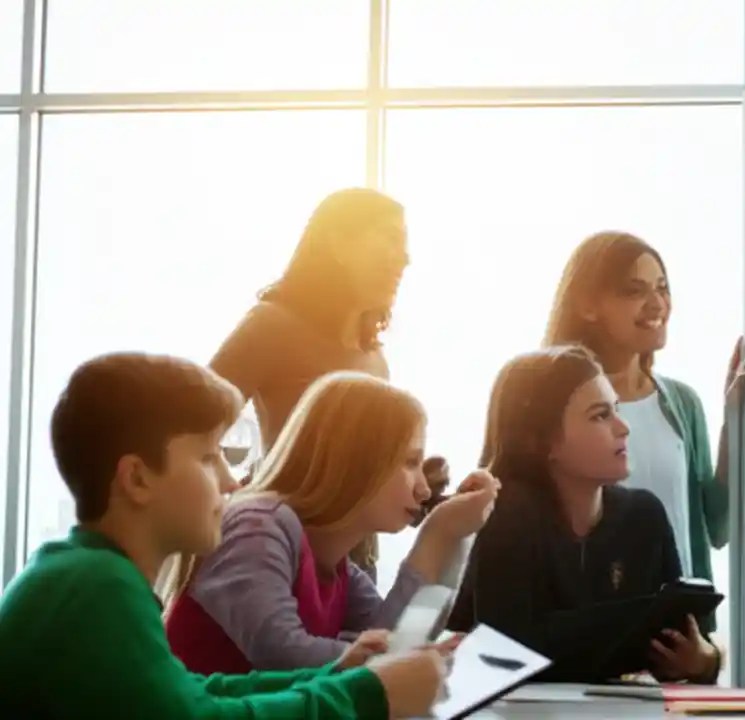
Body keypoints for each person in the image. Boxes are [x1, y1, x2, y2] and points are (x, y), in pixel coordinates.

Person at [0, 353, 443, 719]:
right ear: (137, 479)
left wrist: (338, 672)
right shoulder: (97, 585)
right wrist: (366, 695)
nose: (231, 483)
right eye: (210, 457)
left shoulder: (84, 572)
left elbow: (193, 691)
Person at [165, 371, 498, 674]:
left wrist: (452, 537)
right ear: (355, 461)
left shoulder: (338, 567)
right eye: (411, 462)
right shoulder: (257, 526)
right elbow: (282, 655)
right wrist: (435, 537)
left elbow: (401, 640)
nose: (424, 489)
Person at [447, 345, 720, 683]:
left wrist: (704, 661)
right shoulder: (508, 516)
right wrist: (634, 623)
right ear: (541, 443)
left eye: (616, 409)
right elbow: (508, 651)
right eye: (600, 415)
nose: (623, 427)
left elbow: (692, 642)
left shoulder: (644, 515)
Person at [210, 187, 415, 576]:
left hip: (351, 560)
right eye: (391, 238)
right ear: (339, 243)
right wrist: (239, 500)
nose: (404, 257)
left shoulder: (374, 358)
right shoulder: (272, 326)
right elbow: (190, 424)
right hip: (281, 552)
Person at [544, 231, 745, 585]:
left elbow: (718, 527)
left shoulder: (682, 403)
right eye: (634, 291)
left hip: (683, 633)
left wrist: (735, 420)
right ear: (587, 305)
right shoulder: (555, 404)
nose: (657, 304)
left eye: (662, 287)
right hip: (604, 629)